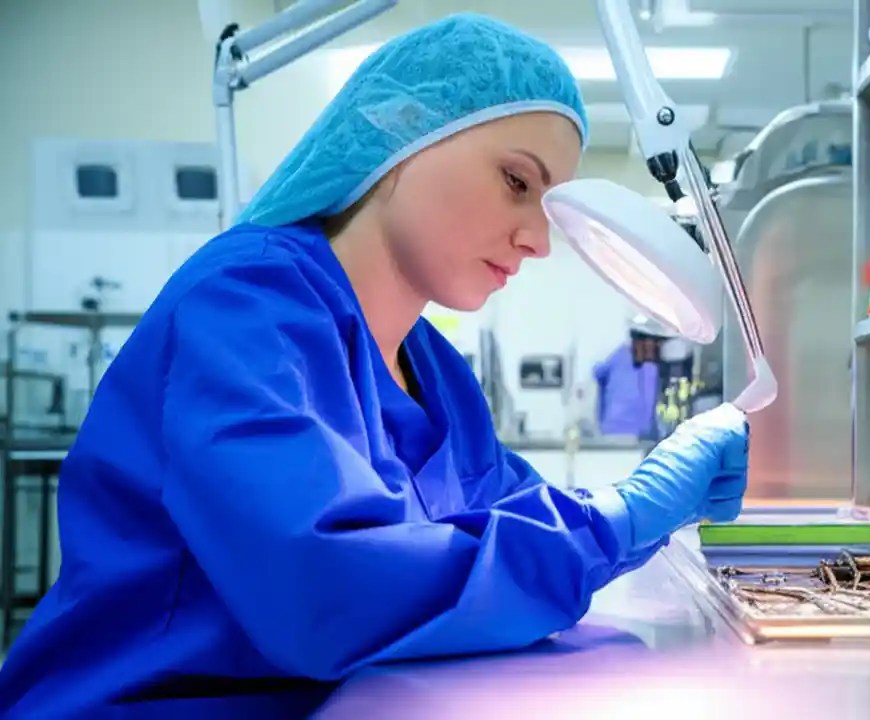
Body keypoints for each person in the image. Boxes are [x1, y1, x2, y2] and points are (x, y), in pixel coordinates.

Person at [0, 14, 749, 718]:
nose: (537, 242)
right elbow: (325, 587)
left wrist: (644, 508)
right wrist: (618, 517)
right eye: (517, 182)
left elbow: (499, 534)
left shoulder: (437, 374)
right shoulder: (242, 306)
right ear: (401, 138)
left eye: (549, 210)